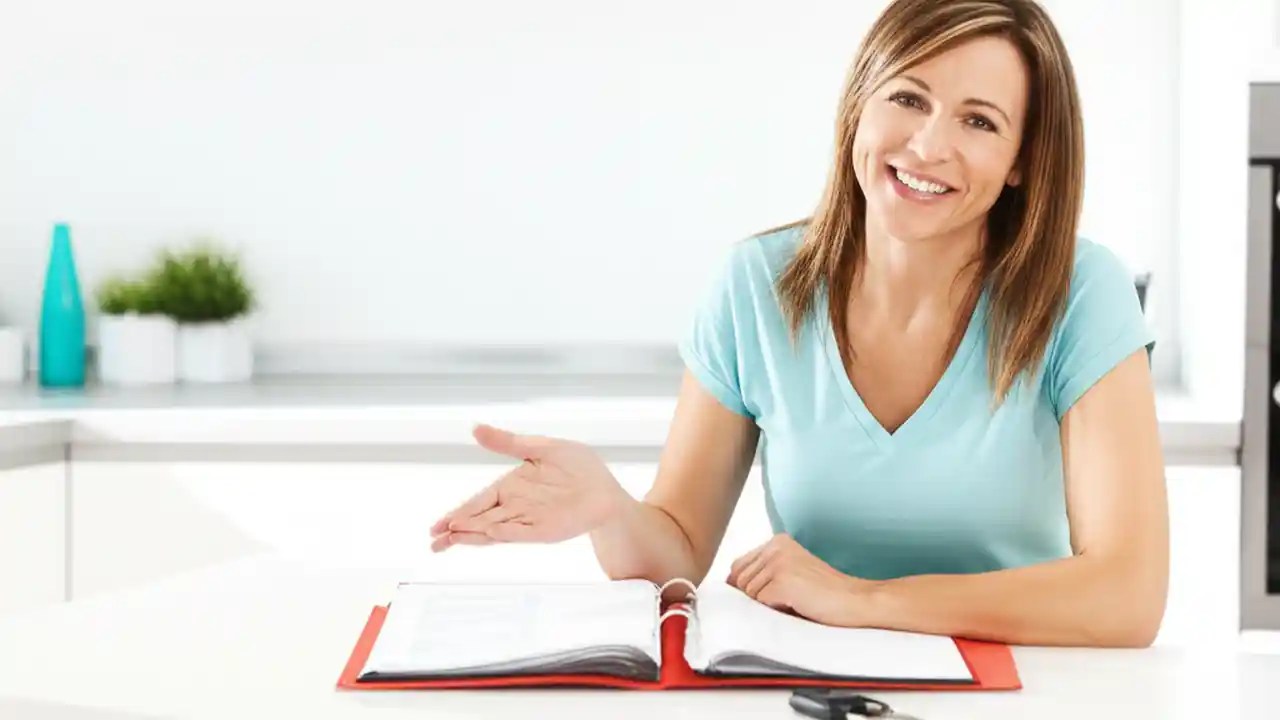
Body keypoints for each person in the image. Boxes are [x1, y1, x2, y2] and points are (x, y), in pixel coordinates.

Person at [430, 0, 1168, 648]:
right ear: (859, 106)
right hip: (816, 687)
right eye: (908, 98)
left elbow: (1127, 597)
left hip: (1028, 689)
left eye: (979, 121)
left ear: (1021, 161)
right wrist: (608, 509)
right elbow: (677, 551)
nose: (928, 145)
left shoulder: (1080, 292)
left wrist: (865, 602)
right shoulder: (754, 286)